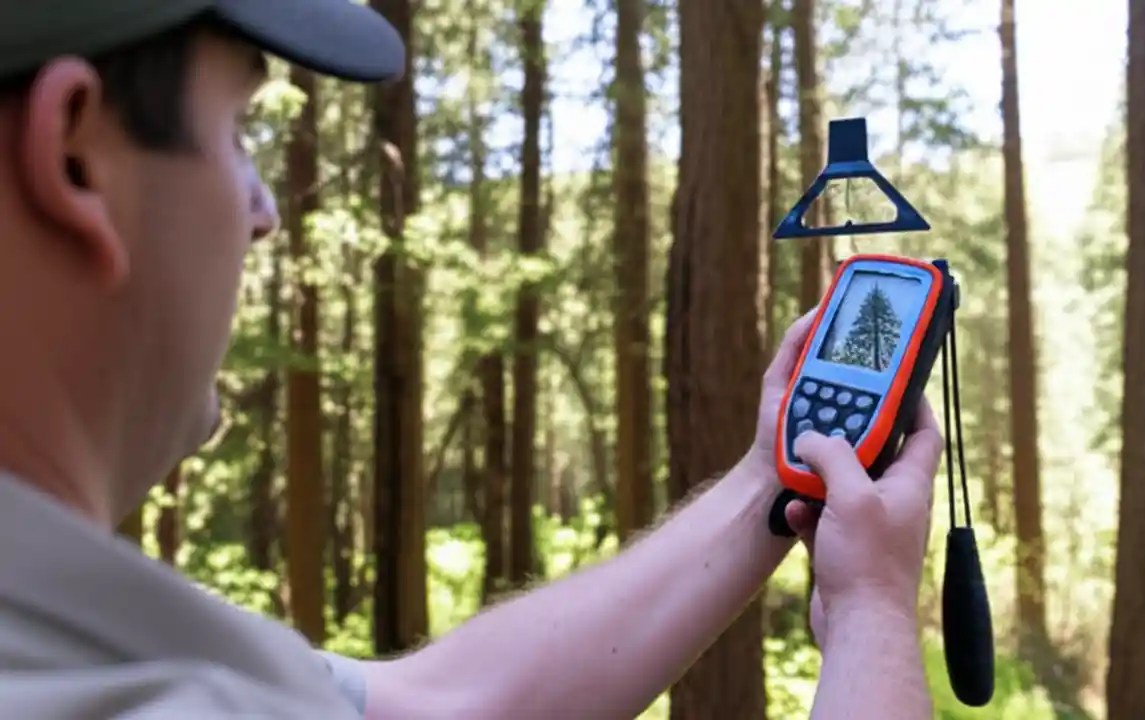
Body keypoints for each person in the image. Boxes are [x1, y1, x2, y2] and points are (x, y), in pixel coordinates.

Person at [0, 2, 944, 718]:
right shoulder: (117, 695)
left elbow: (439, 706)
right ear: (77, 154)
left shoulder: (76, 636)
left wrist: (765, 483)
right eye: (237, 132)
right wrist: (870, 620)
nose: (262, 210)